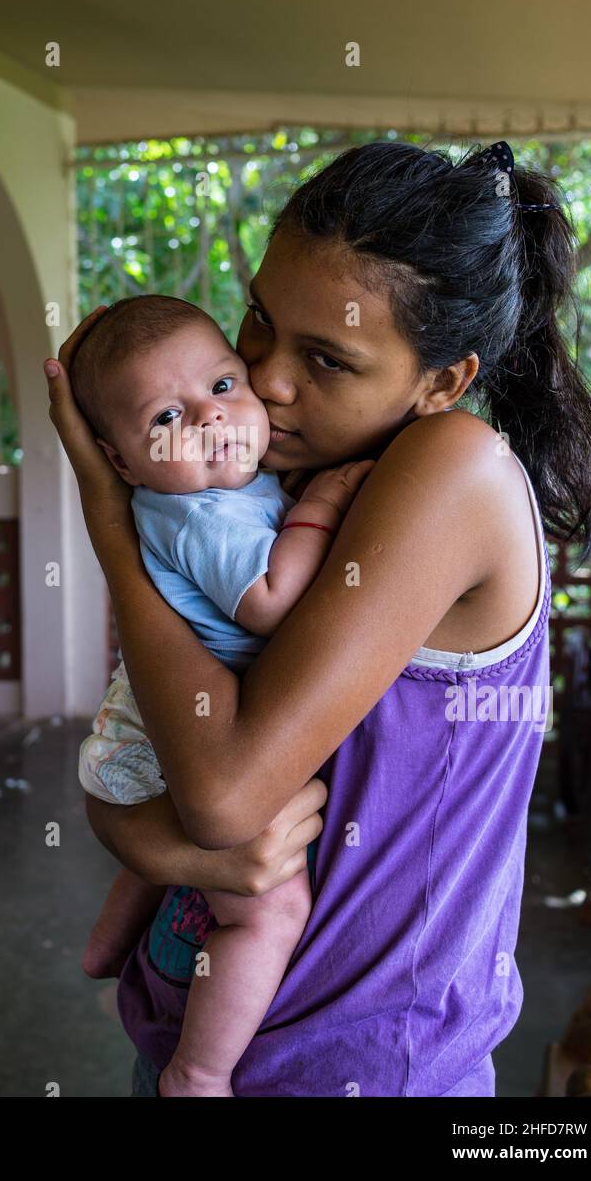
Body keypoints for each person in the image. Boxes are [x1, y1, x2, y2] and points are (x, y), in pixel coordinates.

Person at [45, 139, 591, 1097]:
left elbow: (221, 794)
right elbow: (168, 756)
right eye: (259, 319)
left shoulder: (450, 468)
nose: (262, 377)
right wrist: (141, 835)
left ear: (441, 381)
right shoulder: (276, 473)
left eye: (326, 356)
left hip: (356, 1067)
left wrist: (111, 518)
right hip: (200, 1027)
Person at [71, 293, 370, 1097]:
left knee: (166, 844)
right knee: (266, 911)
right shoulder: (197, 513)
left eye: (223, 386)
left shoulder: (208, 490)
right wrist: (323, 506)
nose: (210, 418)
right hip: (168, 741)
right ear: (123, 463)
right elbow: (271, 597)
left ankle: (106, 945)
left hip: (147, 733)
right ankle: (198, 1072)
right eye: (169, 414)